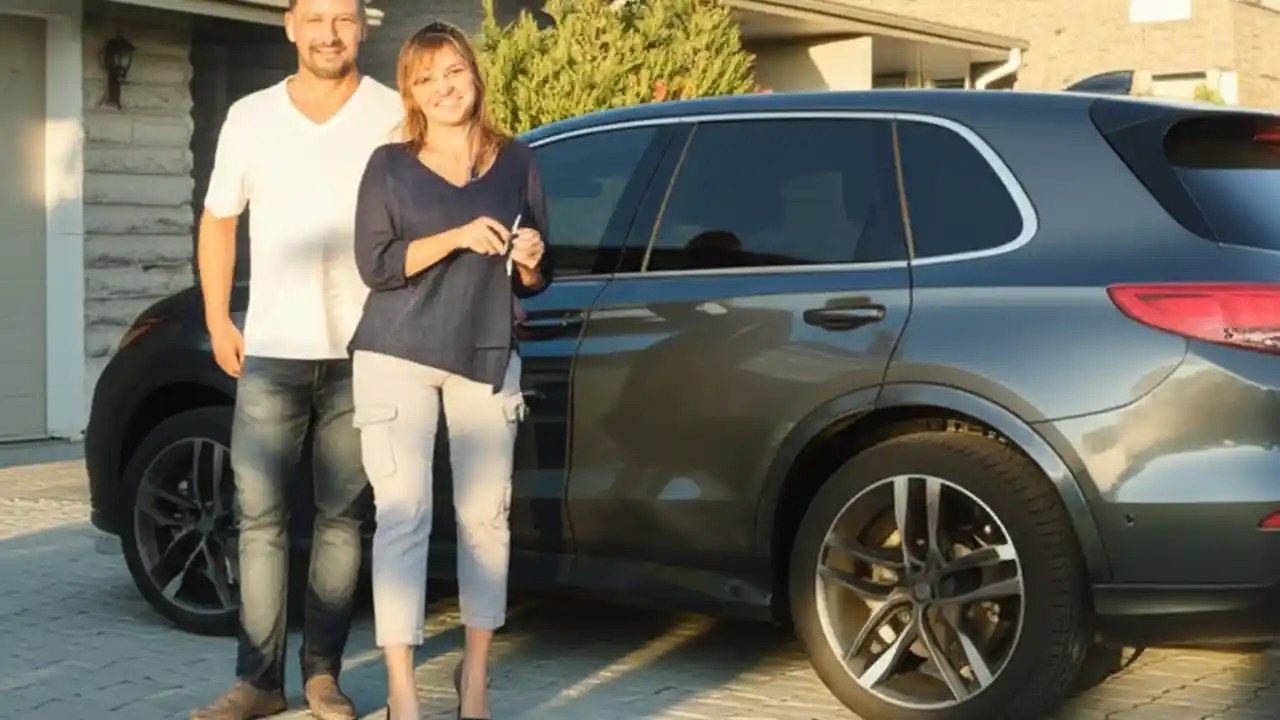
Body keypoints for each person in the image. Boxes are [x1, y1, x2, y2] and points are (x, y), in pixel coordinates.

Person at [190, 0, 402, 717]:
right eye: (315, 18)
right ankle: (257, 682)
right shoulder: (250, 116)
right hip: (272, 349)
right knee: (259, 521)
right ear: (290, 25)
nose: (329, 33)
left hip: (363, 352)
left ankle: (322, 676)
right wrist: (219, 316)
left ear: (363, 26)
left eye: (342, 18)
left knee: (344, 519)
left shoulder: (394, 115)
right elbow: (220, 219)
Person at [348, 20, 552, 720]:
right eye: (426, 78)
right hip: (396, 353)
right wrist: (457, 236)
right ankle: (403, 692)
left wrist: (528, 257)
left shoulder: (519, 162)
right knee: (403, 516)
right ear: (411, 91)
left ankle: (475, 679)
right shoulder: (389, 165)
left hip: (486, 354)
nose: (444, 88)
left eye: (454, 72)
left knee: (485, 521)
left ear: (475, 75)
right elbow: (376, 265)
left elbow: (534, 280)